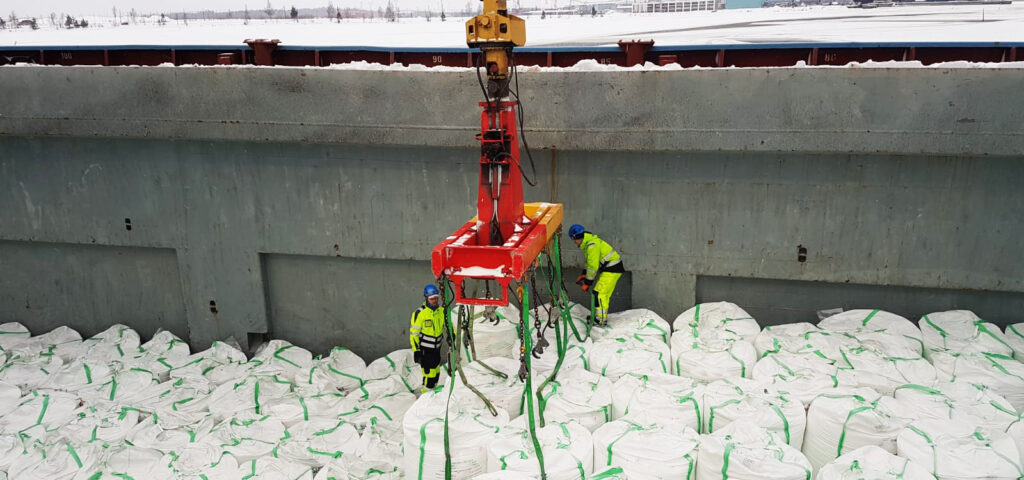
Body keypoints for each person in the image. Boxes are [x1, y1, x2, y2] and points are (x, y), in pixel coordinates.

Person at [569, 224, 624, 325]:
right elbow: (590, 263)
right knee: (604, 294)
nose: (574, 242)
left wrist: (587, 283)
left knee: (599, 293)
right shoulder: (589, 243)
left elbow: (593, 267)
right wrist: (584, 274)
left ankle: (601, 320)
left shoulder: (591, 245)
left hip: (612, 269)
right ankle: (601, 317)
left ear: (577, 237)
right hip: (613, 268)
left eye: (574, 240)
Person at [410, 284, 445, 392]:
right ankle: (425, 395)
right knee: (429, 373)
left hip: (437, 349)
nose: (434, 301)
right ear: (426, 298)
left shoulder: (441, 311)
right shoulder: (420, 313)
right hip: (426, 350)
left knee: (436, 371)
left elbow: (448, 326)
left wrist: (453, 336)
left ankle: (433, 392)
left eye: (436, 298)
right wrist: (416, 351)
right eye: (431, 299)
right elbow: (414, 334)